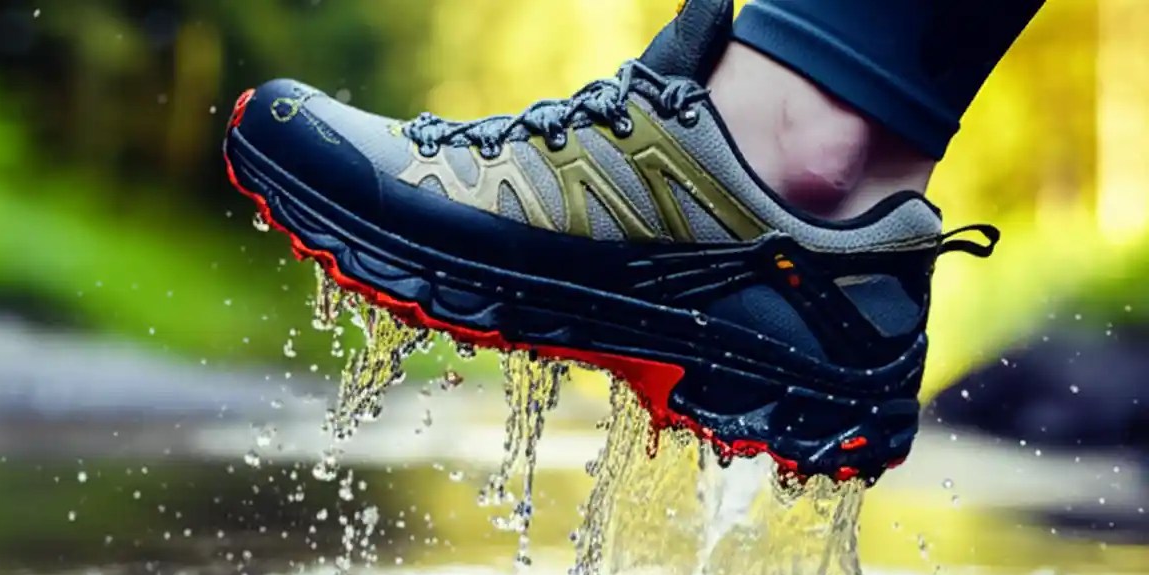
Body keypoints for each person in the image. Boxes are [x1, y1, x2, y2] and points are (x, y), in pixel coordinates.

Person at [222, 0, 1043, 482]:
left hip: (796, 265)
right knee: (857, 143)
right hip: (823, 294)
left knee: (825, 136)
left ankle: (792, 148)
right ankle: (837, 177)